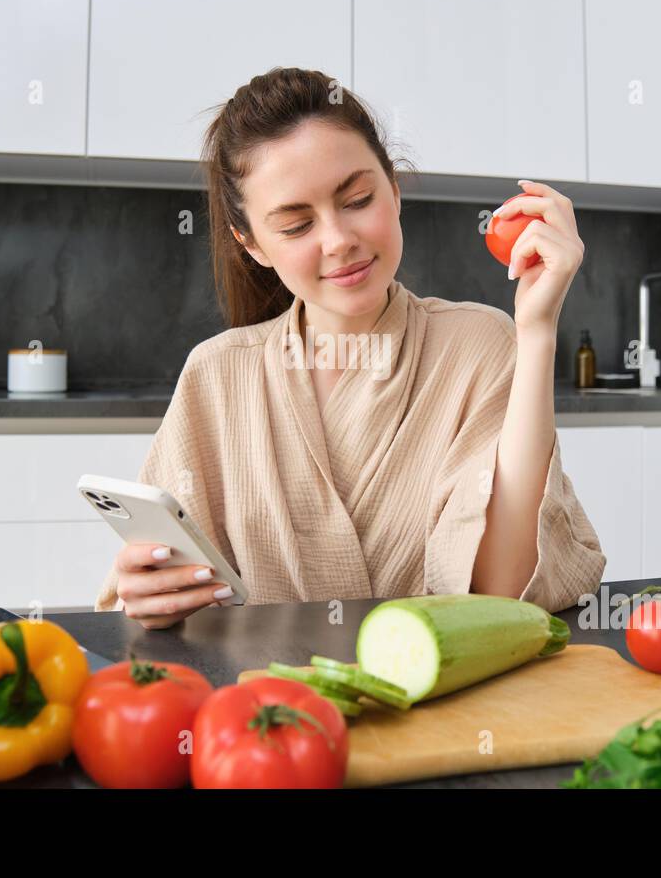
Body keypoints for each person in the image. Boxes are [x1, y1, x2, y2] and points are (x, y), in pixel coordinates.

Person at [95, 67, 606, 630]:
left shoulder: (480, 345)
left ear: (394, 187)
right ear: (252, 244)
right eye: (294, 226)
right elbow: (159, 598)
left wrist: (536, 333)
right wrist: (149, 597)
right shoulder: (216, 374)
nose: (339, 240)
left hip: (446, 704)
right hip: (268, 708)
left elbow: (507, 592)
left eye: (358, 198)